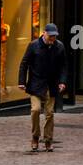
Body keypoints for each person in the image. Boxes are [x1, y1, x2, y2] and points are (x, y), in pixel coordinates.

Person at [18, 23, 67, 152]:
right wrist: (22, 81)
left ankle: (48, 140)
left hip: (52, 84)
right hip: (35, 84)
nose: (52, 38)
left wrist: (62, 82)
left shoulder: (59, 47)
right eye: (50, 36)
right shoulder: (34, 45)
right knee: (35, 110)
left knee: (49, 113)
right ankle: (35, 137)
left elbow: (63, 66)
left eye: (54, 36)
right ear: (44, 33)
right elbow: (24, 63)